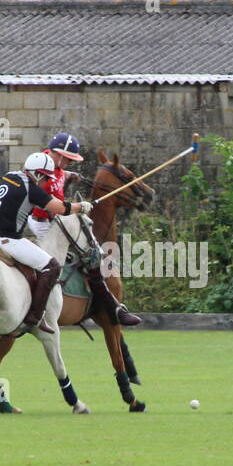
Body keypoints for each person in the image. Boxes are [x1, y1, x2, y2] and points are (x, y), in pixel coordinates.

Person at [27, 132, 141, 327]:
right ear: (59, 155)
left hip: (56, 219)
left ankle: (99, 302)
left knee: (92, 251)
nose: (70, 163)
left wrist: (69, 176)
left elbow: (59, 177)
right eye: (69, 160)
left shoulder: (53, 165)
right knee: (90, 255)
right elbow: (52, 202)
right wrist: (77, 207)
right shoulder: (44, 172)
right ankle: (43, 308)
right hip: (46, 222)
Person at [0, 151, 92, 334]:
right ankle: (35, 316)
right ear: (38, 174)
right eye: (46, 179)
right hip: (7, 241)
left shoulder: (9, 176)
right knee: (53, 266)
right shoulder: (32, 189)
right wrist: (81, 207)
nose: (47, 183)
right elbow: (59, 208)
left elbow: (6, 206)